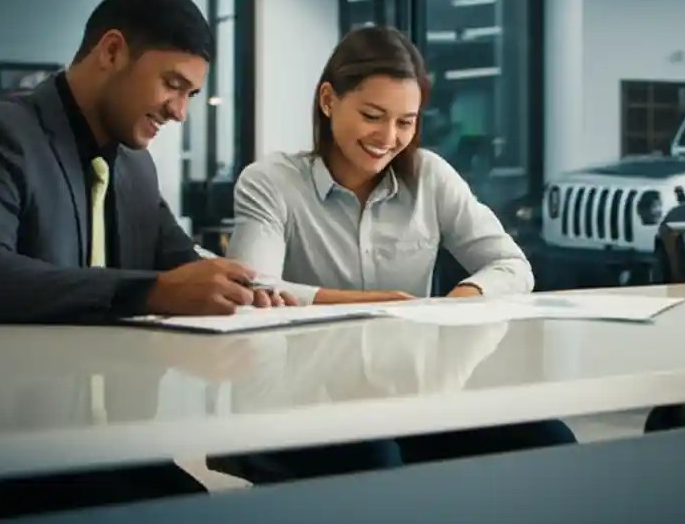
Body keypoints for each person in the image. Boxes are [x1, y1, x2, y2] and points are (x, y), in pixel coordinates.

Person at [0, 0, 291, 523]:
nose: (179, 112)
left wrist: (247, 291)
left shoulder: (134, 166)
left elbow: (183, 263)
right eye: (172, 85)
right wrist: (153, 291)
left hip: (99, 446)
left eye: (191, 95)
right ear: (111, 52)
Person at [216, 25, 575, 482]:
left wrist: (456, 302)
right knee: (375, 461)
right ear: (329, 100)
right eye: (372, 115)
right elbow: (255, 293)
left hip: (409, 400)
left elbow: (512, 266)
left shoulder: (430, 178)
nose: (388, 136)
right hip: (299, 404)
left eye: (406, 121)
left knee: (548, 439)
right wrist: (381, 306)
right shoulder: (270, 182)